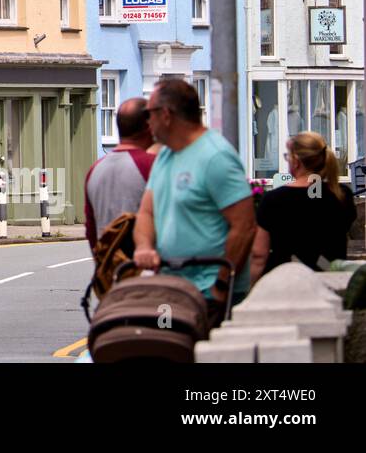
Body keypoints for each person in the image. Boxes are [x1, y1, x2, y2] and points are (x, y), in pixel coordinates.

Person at [133, 78, 255, 327]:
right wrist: (144, 246)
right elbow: (146, 212)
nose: (147, 121)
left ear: (166, 115)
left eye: (150, 113)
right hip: (175, 288)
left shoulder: (216, 157)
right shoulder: (166, 154)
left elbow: (244, 226)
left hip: (211, 294)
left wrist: (222, 283)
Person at [251, 132, 358, 280]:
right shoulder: (341, 195)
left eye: (287, 156)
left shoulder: (274, 200)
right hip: (330, 280)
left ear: (296, 161)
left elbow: (259, 254)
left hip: (284, 283)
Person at [84, 96, 157, 250]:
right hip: (144, 265)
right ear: (149, 127)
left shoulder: (94, 169)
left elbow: (91, 228)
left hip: (109, 266)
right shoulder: (152, 164)